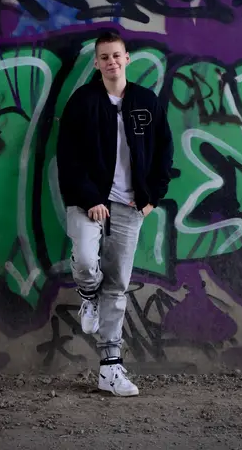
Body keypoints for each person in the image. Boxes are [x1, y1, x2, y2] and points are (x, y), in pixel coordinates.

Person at [56, 31, 173, 396]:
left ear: (127, 58)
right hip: (88, 202)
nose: (111, 62)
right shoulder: (83, 101)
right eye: (104, 57)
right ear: (96, 63)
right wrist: (90, 196)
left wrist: (151, 198)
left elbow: (164, 151)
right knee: (86, 261)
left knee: (118, 284)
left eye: (117, 55)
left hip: (130, 205)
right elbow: (67, 155)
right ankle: (87, 294)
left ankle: (110, 368)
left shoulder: (146, 101)